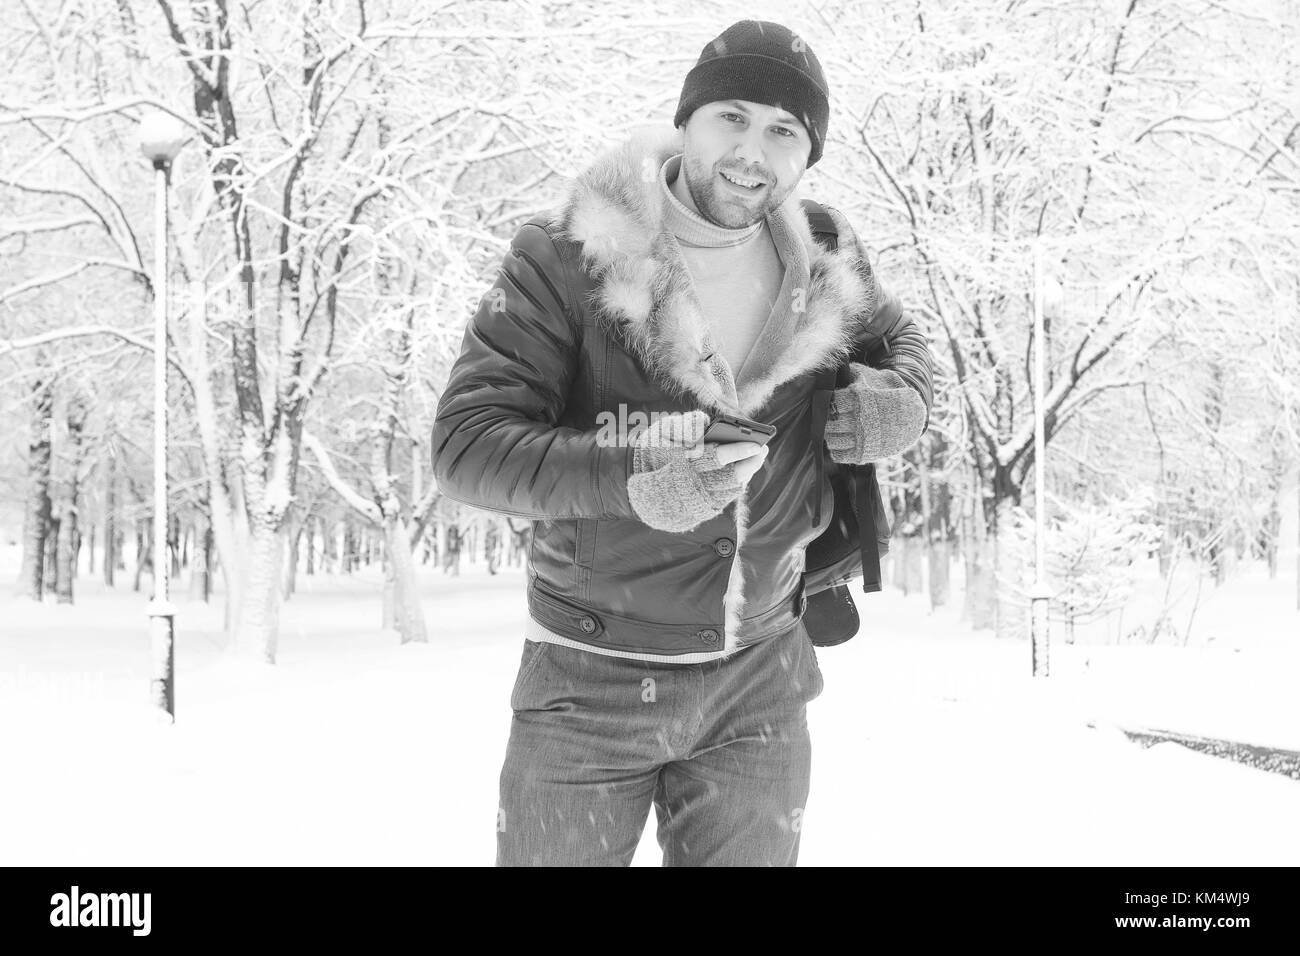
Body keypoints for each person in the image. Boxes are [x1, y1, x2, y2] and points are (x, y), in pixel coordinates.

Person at [431, 19, 935, 866]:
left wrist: (904, 403)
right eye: (730, 117)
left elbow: (905, 349)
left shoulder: (826, 259)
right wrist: (634, 477)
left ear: (807, 154)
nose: (752, 151)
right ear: (687, 122)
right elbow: (466, 447)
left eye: (784, 131)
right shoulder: (567, 257)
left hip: (762, 680)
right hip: (588, 680)